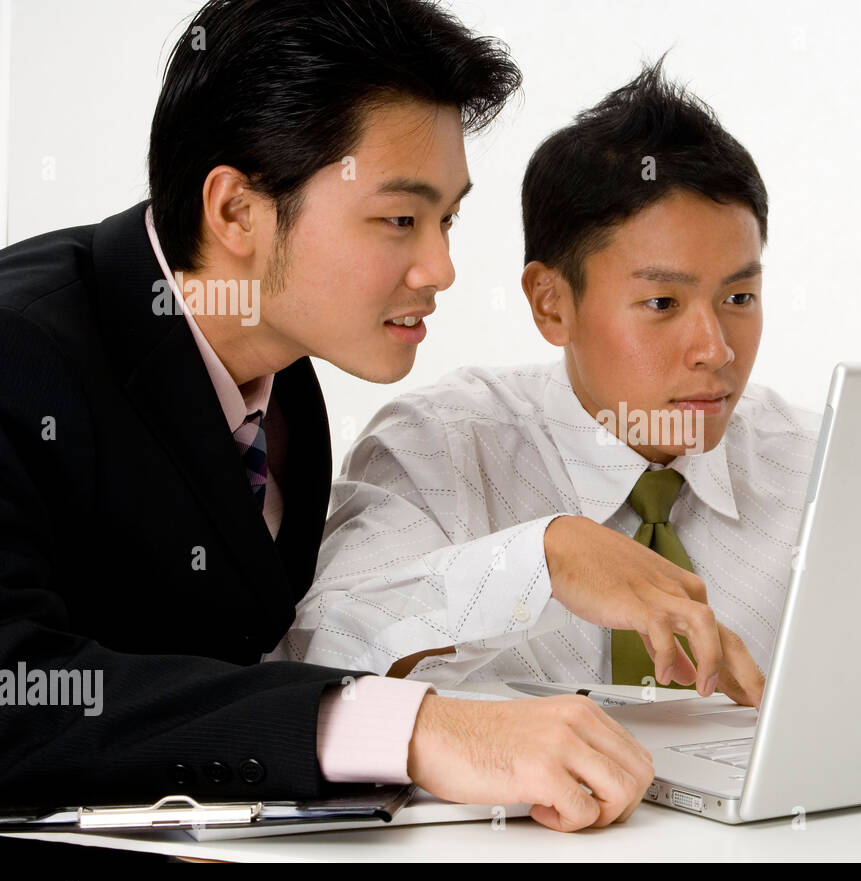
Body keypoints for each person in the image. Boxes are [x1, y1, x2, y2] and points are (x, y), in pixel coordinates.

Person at [0, 0, 688, 834]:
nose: (440, 267)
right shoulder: (20, 348)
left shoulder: (284, 384)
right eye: (400, 218)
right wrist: (411, 727)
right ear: (236, 212)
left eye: (448, 218)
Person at [272, 60, 820, 697]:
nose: (715, 349)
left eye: (739, 298)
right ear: (551, 303)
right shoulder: (442, 449)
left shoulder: (819, 470)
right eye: (663, 304)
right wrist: (539, 560)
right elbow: (322, 657)